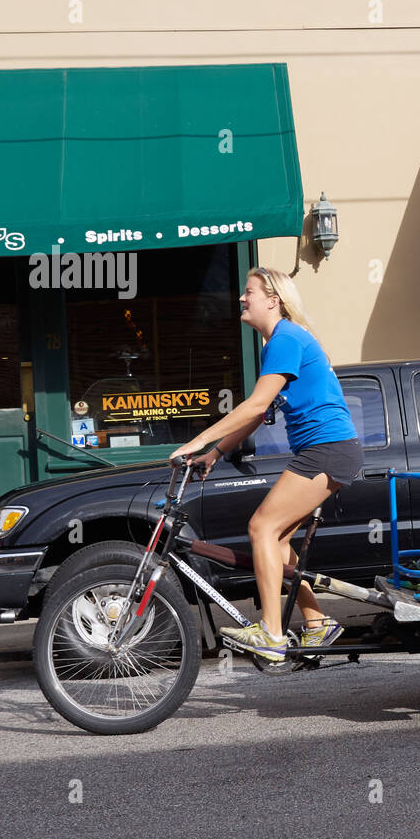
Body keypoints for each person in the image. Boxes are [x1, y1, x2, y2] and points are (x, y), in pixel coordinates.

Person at [173, 266, 363, 662]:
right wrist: (216, 453)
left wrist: (197, 439)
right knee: (275, 540)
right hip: (326, 449)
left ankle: (273, 634)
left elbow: (256, 404)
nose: (242, 298)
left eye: (249, 292)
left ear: (273, 299)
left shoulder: (286, 337)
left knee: (261, 526)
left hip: (327, 449)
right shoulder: (280, 342)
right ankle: (316, 622)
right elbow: (261, 415)